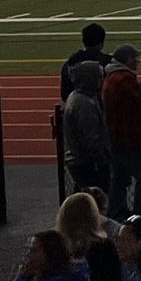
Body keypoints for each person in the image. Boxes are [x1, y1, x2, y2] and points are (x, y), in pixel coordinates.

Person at [101, 44, 141, 219]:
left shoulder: (113, 76)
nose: (138, 61)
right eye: (135, 57)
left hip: (117, 137)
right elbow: (140, 101)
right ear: (128, 59)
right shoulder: (124, 79)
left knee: (119, 178)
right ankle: (140, 218)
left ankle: (117, 213)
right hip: (129, 138)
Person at [61, 60, 112, 198]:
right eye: (99, 77)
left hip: (82, 161)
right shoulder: (84, 103)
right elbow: (90, 137)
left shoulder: (80, 97)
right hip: (87, 162)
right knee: (95, 199)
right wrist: (102, 160)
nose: (102, 80)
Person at [59, 21, 112, 99]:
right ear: (102, 43)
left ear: (83, 41)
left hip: (75, 103)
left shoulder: (70, 62)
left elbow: (65, 94)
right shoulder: (109, 63)